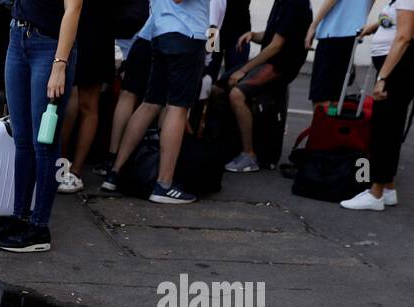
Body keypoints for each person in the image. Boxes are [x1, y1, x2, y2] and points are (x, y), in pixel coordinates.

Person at [0, 0, 82, 253]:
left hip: (50, 45)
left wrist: (60, 64)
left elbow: (74, 8)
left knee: (45, 142)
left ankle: (39, 226)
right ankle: (20, 218)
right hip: (18, 36)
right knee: (22, 139)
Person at [104, 0, 209, 204]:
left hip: (161, 31)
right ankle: (164, 184)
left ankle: (115, 172)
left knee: (150, 104)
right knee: (176, 109)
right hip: (186, 32)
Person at [214, 0, 311, 173]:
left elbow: (276, 45)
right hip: (272, 60)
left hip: (280, 65)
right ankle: (223, 144)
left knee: (237, 94)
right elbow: (274, 35)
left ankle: (249, 155)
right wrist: (253, 34)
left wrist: (244, 69)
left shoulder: (295, 4)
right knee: (218, 88)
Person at [341, 0, 413, 210]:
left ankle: (376, 193)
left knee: (386, 131)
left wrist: (383, 77)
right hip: (396, 68)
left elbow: (404, 36)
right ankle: (388, 188)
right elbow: (397, 26)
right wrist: (376, 26)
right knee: (387, 127)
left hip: (396, 71)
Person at [58, 0, 113, 193]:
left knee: (81, 103)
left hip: (92, 26)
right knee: (72, 101)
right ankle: (66, 169)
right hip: (75, 23)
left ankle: (70, 171)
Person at [98, 22, 153, 177]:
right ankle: (152, 164)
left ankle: (113, 161)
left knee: (130, 95)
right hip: (169, 39)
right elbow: (213, 26)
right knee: (164, 105)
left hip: (140, 39)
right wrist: (209, 60)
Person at [307, 0, 371, 110]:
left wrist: (313, 26)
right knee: (335, 96)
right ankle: (330, 125)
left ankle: (323, 126)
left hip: (334, 30)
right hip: (351, 32)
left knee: (322, 97)